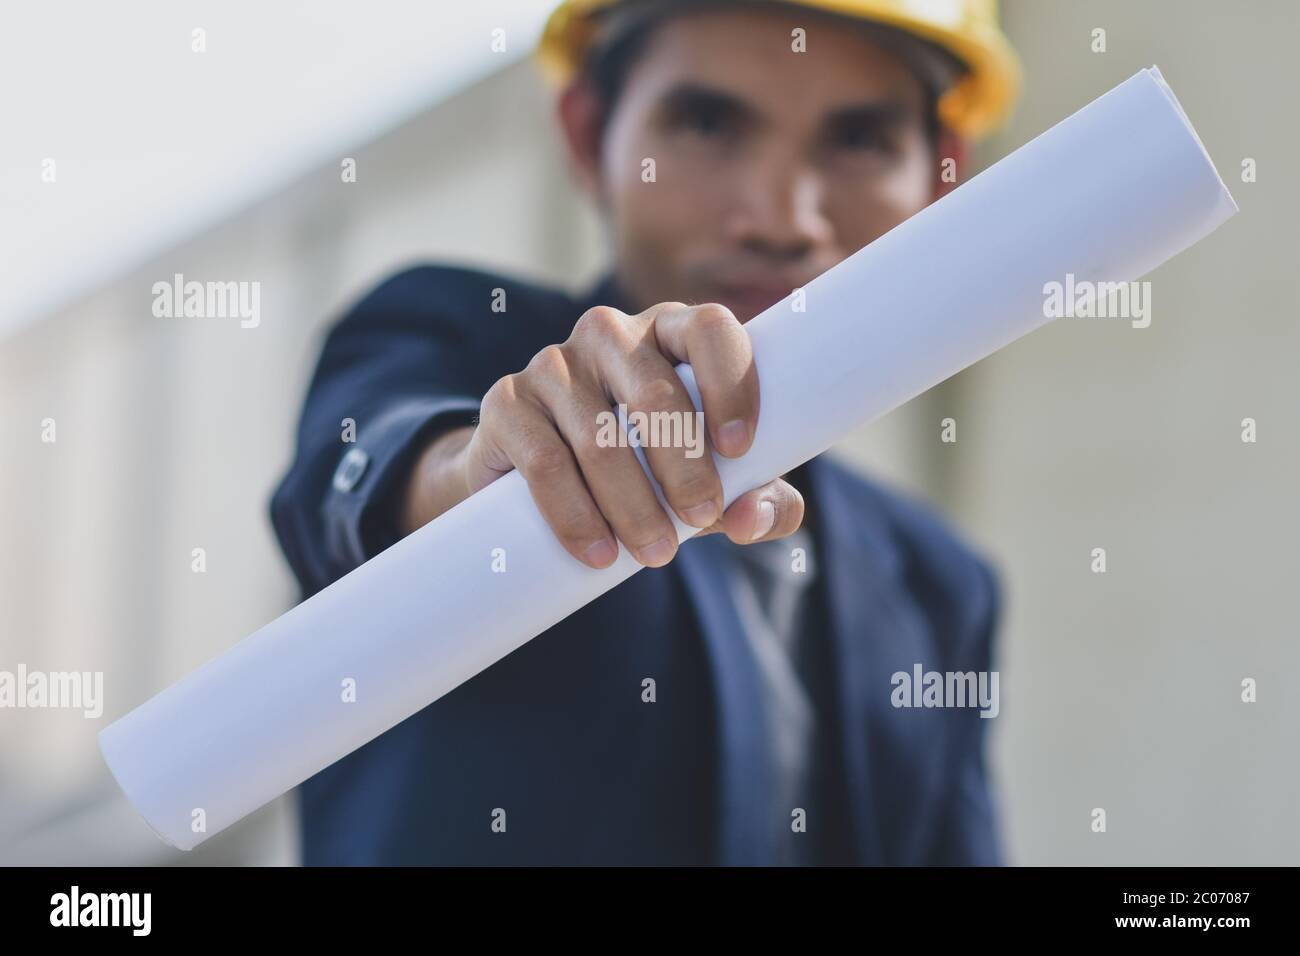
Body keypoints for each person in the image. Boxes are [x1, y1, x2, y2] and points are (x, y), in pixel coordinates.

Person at [270, 0, 1021, 865]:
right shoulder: (449, 338)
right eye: (707, 123)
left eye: (857, 140)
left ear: (943, 175)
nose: (781, 218)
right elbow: (366, 481)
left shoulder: (942, 586)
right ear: (590, 137)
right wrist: (492, 466)